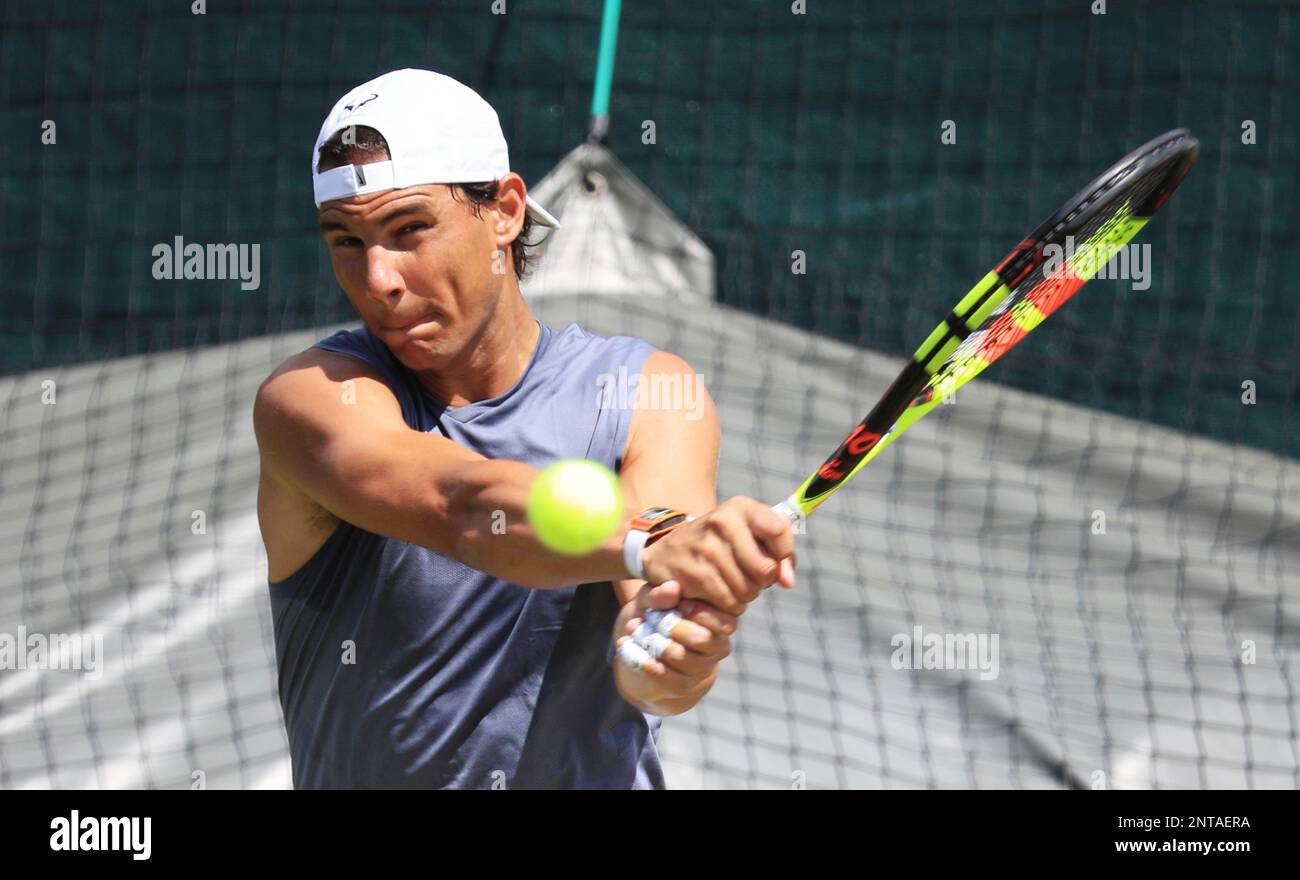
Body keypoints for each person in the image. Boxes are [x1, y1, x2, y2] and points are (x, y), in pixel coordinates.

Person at [253, 69, 795, 789]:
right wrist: (654, 541)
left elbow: (658, 670)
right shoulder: (313, 399)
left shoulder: (652, 396)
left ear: (505, 210)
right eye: (346, 241)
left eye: (409, 228)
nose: (378, 278)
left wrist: (670, 648)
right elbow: (466, 508)